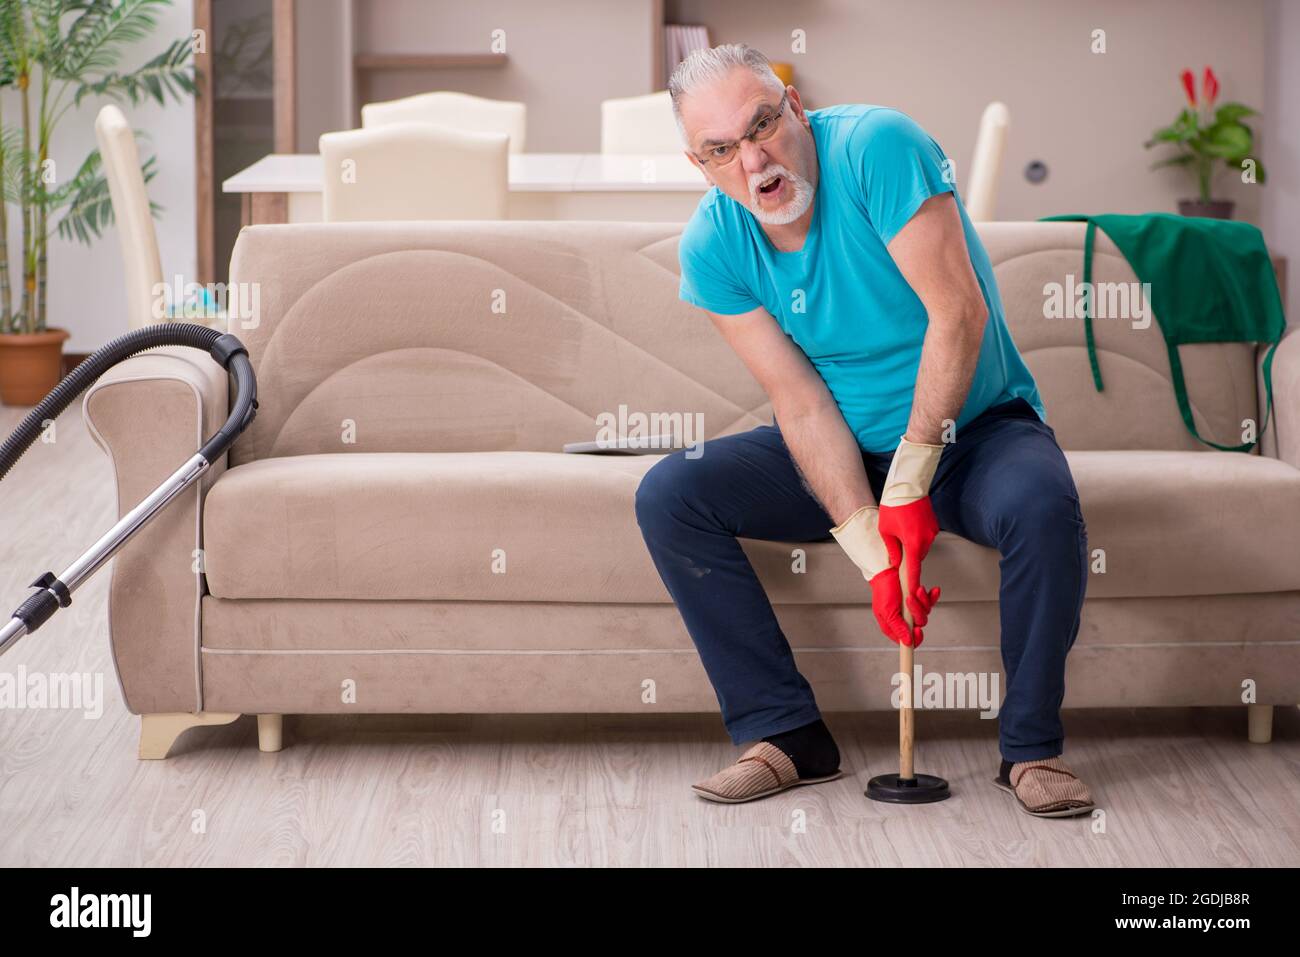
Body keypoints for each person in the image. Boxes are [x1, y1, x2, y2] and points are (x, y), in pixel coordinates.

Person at [634, 43, 1095, 817]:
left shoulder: (878, 148)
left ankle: (1031, 748)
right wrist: (869, 547)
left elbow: (958, 314)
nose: (754, 158)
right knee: (672, 493)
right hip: (848, 444)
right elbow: (800, 400)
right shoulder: (713, 247)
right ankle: (787, 734)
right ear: (699, 164)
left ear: (796, 107)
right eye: (722, 149)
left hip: (975, 435)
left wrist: (912, 481)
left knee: (1044, 503)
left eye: (764, 125)